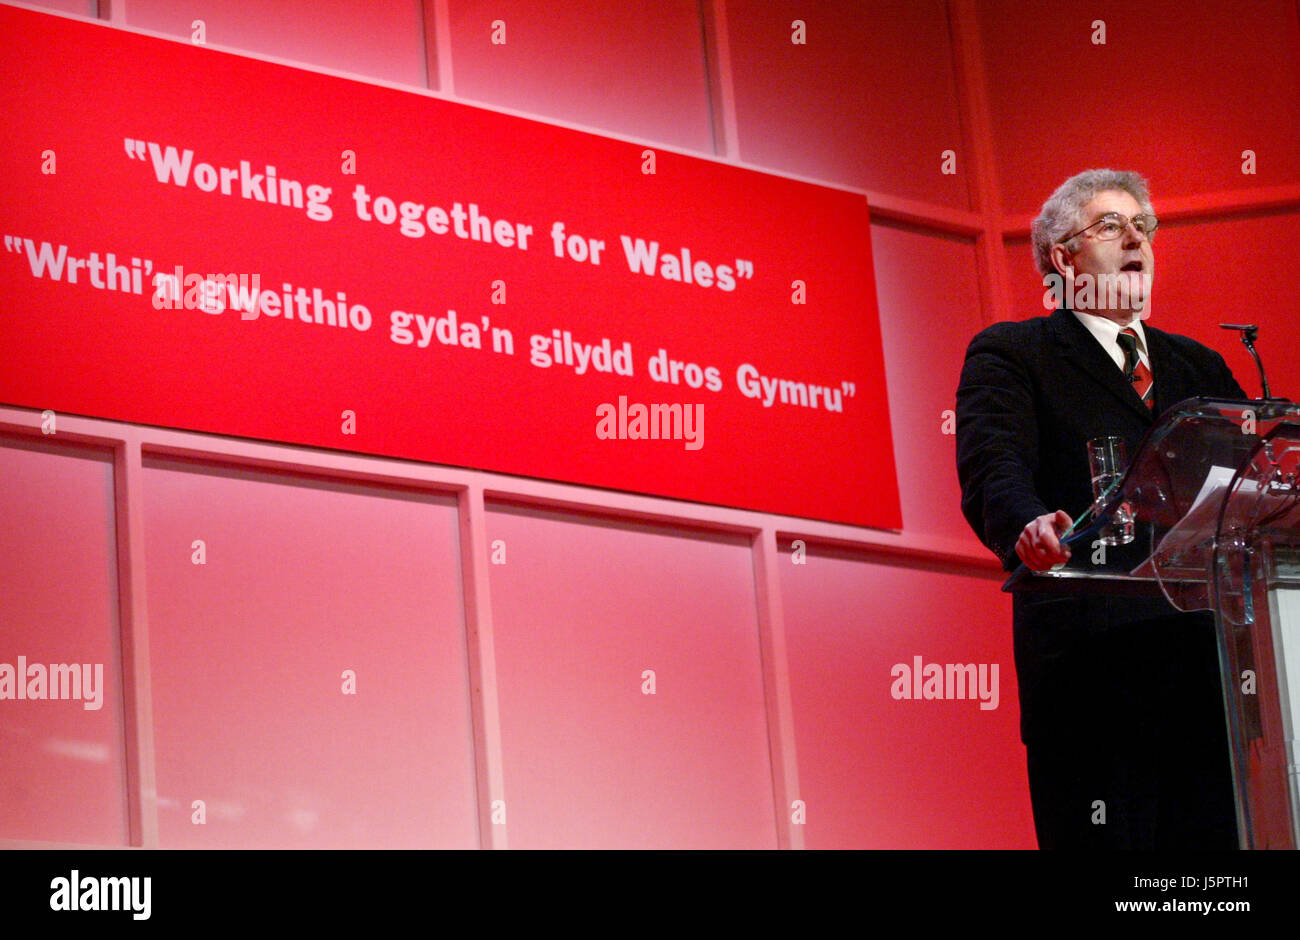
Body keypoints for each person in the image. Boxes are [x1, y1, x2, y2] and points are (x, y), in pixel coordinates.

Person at [954, 169, 1248, 848]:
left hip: (1209, 679)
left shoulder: (1199, 366)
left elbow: (1251, 479)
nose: (1136, 238)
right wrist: (1026, 524)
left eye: (1145, 226)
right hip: (1093, 680)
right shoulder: (1015, 353)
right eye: (1113, 225)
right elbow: (990, 462)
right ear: (1064, 258)